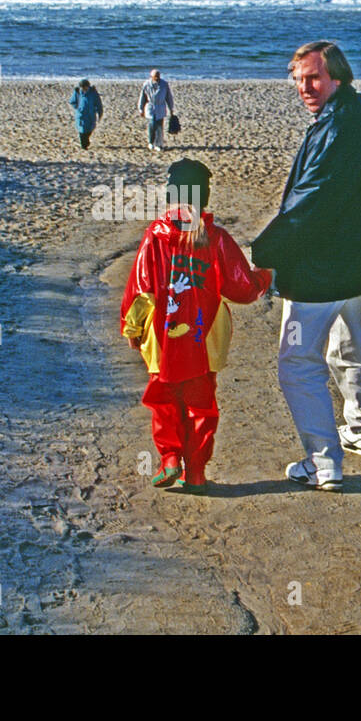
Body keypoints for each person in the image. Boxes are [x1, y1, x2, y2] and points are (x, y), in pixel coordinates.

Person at [251, 41, 361, 491]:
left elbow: (313, 200)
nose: (304, 88)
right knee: (351, 336)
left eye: (313, 78)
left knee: (297, 361)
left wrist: (266, 253)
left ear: (337, 76)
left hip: (325, 265)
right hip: (360, 259)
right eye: (298, 79)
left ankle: (323, 462)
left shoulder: (337, 127)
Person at [121, 159, 272, 494]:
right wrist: (265, 278)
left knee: (164, 398)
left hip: (163, 341)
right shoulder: (215, 238)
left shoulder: (156, 237)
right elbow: (241, 287)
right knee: (201, 404)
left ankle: (170, 459)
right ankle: (198, 472)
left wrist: (133, 330)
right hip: (204, 343)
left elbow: (141, 290)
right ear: (204, 198)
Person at [137, 69, 175, 151]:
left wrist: (171, 108)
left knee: (159, 127)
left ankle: (159, 144)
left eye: (158, 76)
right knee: (151, 124)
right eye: (155, 77)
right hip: (150, 107)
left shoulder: (164, 84)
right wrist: (141, 109)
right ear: (151, 77)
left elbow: (169, 97)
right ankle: (151, 142)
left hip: (160, 107)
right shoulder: (146, 84)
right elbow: (142, 97)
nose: (157, 78)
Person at [69, 78, 103, 150]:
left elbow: (98, 104)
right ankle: (84, 146)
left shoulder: (93, 93)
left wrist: (100, 113)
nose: (83, 89)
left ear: (88, 86)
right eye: (82, 87)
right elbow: (72, 101)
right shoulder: (77, 92)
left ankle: (86, 142)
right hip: (81, 115)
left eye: (85, 87)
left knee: (89, 130)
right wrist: (78, 108)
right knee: (82, 131)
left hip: (90, 115)